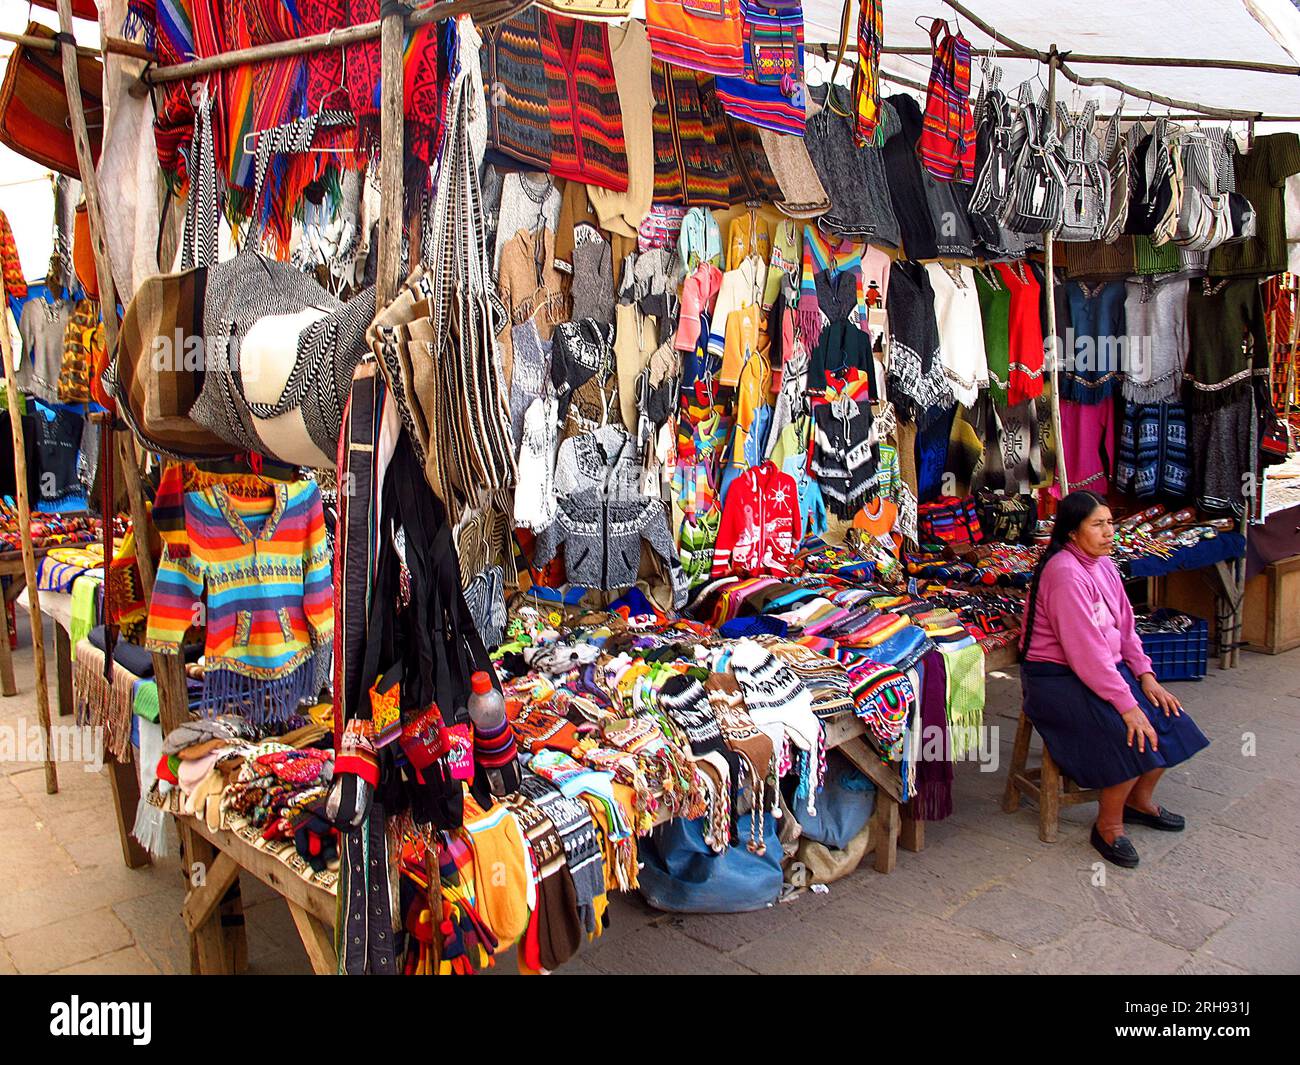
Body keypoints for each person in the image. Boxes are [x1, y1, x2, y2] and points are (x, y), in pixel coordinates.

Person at [1020, 491, 1209, 868]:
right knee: (1132, 735)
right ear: (1073, 533)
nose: (1109, 532)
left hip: (1101, 668)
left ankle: (1138, 802)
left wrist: (1146, 676)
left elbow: (1126, 628)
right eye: (1098, 525)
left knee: (1169, 720)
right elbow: (1084, 652)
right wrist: (1126, 706)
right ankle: (1108, 826)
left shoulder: (1103, 564)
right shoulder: (1065, 573)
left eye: (1110, 523)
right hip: (1056, 678)